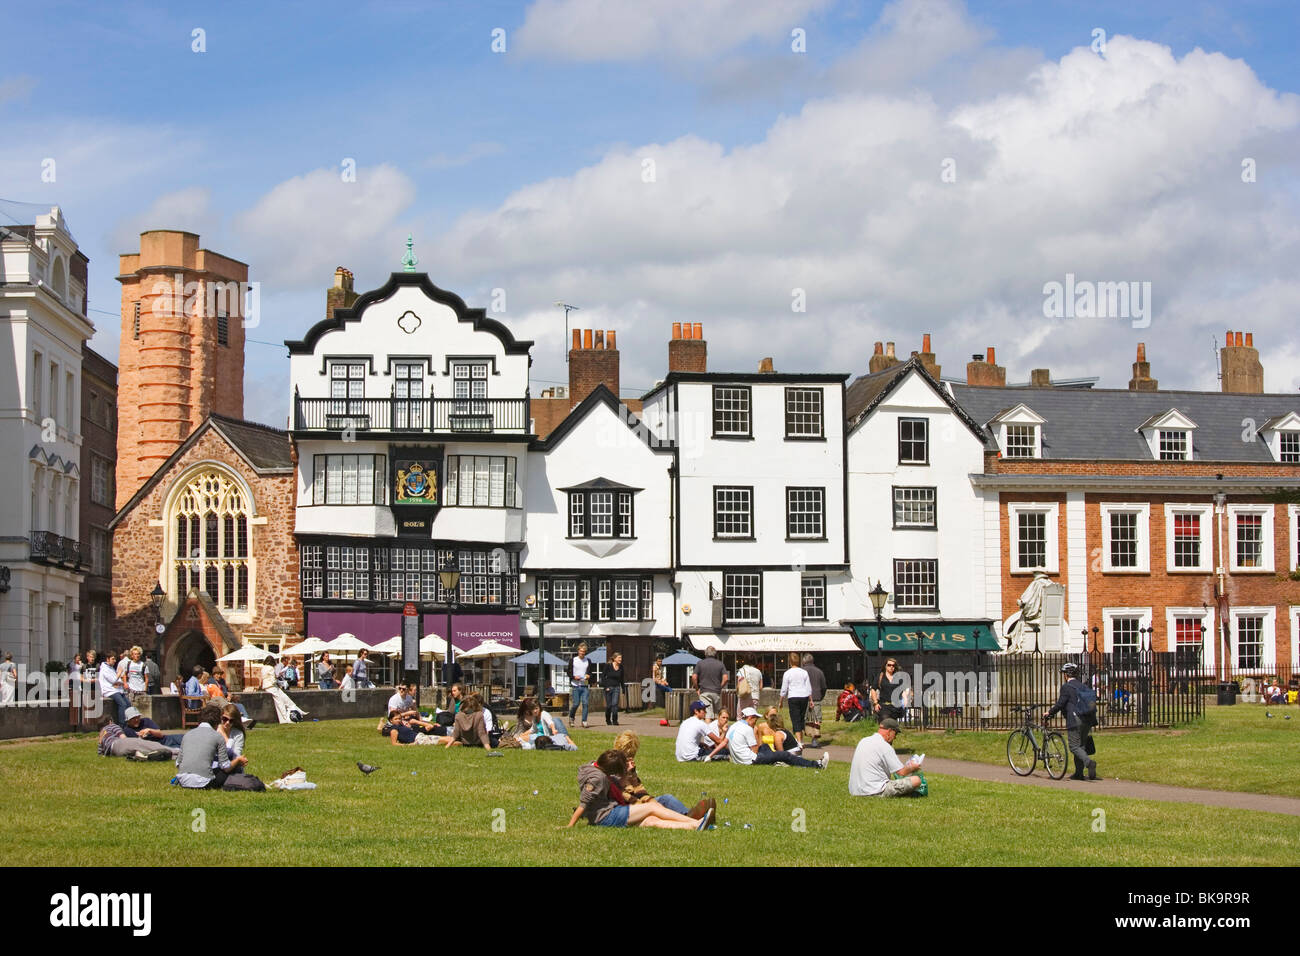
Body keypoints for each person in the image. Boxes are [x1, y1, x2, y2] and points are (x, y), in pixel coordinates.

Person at [565, 749, 712, 830]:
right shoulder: (597, 778)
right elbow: (584, 802)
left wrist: (630, 772)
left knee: (650, 821)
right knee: (651, 807)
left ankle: (693, 826)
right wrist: (570, 825)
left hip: (604, 816)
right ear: (611, 770)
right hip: (607, 815)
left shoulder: (594, 765)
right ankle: (696, 821)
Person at [610, 731, 713, 819]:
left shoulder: (628, 768)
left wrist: (632, 776)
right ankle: (689, 818)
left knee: (666, 799)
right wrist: (649, 805)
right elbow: (626, 797)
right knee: (657, 808)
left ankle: (690, 814)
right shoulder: (613, 767)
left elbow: (640, 791)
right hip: (628, 808)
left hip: (639, 802)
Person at [1045, 662, 1098, 781]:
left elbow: (1060, 703)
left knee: (1074, 746)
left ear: (1066, 675)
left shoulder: (1066, 687)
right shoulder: (1083, 686)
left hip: (1075, 719)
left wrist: (1049, 712)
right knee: (1081, 746)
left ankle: (1089, 762)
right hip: (1087, 719)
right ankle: (1079, 774)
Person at [174, 704, 249, 789]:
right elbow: (226, 767)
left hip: (182, 781)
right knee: (233, 770)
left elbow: (178, 763)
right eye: (224, 719)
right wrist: (238, 760)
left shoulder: (187, 734)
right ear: (218, 722)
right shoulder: (217, 736)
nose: (227, 722)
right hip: (204, 782)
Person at [729, 707, 828, 769]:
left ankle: (774, 760)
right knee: (785, 755)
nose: (756, 722)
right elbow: (754, 751)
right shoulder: (747, 729)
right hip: (750, 760)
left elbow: (725, 742)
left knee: (765, 746)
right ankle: (817, 765)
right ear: (750, 717)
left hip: (739, 759)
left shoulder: (734, 726)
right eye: (755, 719)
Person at [849, 717, 922, 796]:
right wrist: (912, 767)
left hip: (855, 790)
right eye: (895, 733)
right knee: (916, 780)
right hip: (874, 790)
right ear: (890, 731)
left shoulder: (863, 741)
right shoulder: (885, 746)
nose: (895, 737)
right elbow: (902, 772)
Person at [97, 716, 177, 760]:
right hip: (119, 744)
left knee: (143, 752)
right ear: (110, 722)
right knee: (150, 745)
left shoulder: (101, 735)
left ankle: (173, 756)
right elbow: (123, 738)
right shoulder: (112, 726)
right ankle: (177, 752)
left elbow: (100, 752)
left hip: (114, 752)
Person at [260, 656, 308, 723]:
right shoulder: (271, 668)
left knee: (284, 698)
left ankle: (298, 711)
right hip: (272, 687)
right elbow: (273, 680)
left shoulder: (263, 668)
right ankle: (286, 717)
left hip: (268, 686)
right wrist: (279, 682)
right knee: (281, 702)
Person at [778, 652, 812, 746]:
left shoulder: (787, 673)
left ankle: (799, 741)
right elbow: (808, 687)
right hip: (804, 696)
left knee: (795, 718)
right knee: (801, 718)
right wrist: (811, 699)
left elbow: (784, 689)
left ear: (790, 662)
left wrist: (781, 701)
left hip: (793, 697)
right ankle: (800, 738)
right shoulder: (804, 672)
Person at [692, 645, 728, 720]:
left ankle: (708, 731)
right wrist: (719, 687)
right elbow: (725, 678)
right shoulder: (720, 664)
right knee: (716, 715)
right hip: (716, 692)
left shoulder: (700, 663)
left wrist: (697, 688)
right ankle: (716, 731)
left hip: (704, 691)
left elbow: (694, 677)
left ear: (705, 653)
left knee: (707, 714)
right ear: (715, 654)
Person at [801, 653, 827, 748]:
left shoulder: (801, 671)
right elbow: (824, 687)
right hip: (816, 698)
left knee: (803, 718)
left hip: (803, 698)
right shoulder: (819, 672)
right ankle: (815, 739)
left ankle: (801, 739)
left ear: (804, 661)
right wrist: (820, 696)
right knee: (816, 720)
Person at [872, 659, 909, 723]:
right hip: (884, 705)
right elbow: (873, 689)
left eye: (893, 665)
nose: (891, 667)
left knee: (892, 726)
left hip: (896, 707)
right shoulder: (880, 677)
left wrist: (905, 699)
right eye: (889, 665)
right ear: (885, 666)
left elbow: (902, 690)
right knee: (885, 722)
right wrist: (875, 703)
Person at [98, 652, 131, 723]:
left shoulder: (111, 668)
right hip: (109, 691)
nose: (115, 661)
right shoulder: (104, 669)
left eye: (115, 659)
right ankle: (122, 725)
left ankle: (129, 723)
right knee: (123, 704)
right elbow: (113, 680)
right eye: (113, 659)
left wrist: (121, 683)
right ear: (107, 659)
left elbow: (117, 680)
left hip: (116, 690)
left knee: (128, 704)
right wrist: (119, 672)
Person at [568, 643, 592, 728]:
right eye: (581, 651)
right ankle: (571, 718)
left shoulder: (588, 660)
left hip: (584, 685)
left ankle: (584, 721)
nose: (582, 653)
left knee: (585, 703)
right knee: (576, 704)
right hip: (575, 685)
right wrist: (574, 677)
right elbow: (568, 673)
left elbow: (590, 672)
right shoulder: (573, 660)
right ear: (578, 651)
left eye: (584, 652)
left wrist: (588, 675)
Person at [601, 652, 625, 726]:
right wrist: (606, 687)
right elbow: (603, 677)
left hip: (616, 688)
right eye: (619, 658)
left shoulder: (621, 667)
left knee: (615, 704)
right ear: (614, 658)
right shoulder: (608, 666)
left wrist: (623, 688)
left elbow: (622, 679)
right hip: (608, 688)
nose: (620, 659)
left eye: (621, 658)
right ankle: (608, 720)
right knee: (609, 706)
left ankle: (615, 720)